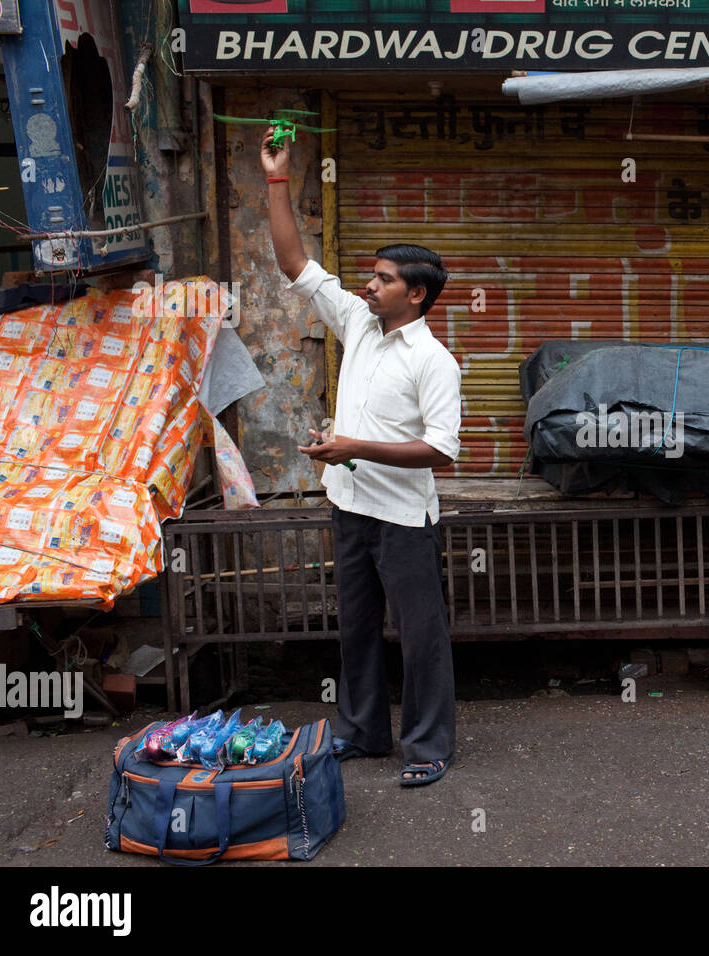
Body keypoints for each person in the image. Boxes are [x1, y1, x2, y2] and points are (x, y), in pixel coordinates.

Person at [262, 129, 461, 787]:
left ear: (418, 295)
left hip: (404, 519)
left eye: (383, 280)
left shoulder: (435, 361)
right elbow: (295, 262)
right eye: (372, 277)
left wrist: (353, 448)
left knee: (422, 636)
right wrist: (277, 180)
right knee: (355, 631)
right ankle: (362, 732)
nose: (369, 286)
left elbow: (440, 451)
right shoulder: (357, 325)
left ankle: (428, 748)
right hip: (349, 509)